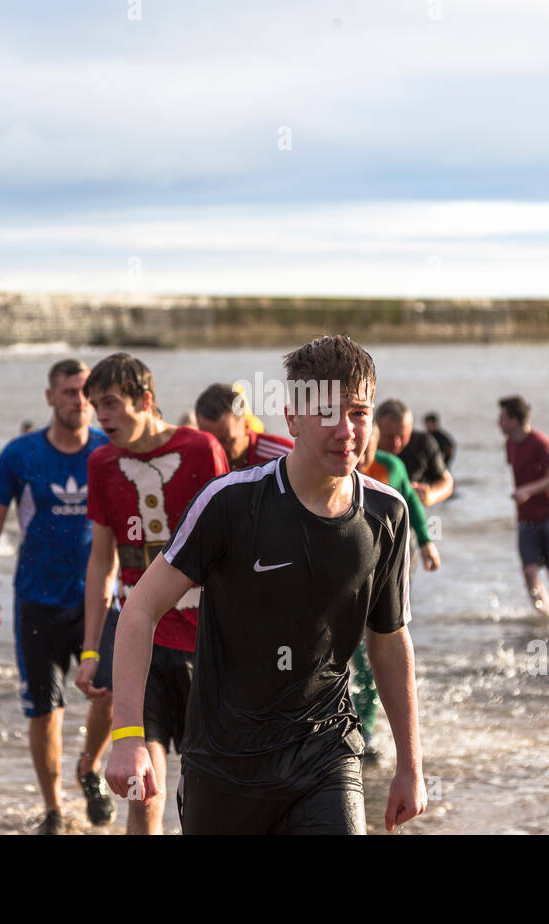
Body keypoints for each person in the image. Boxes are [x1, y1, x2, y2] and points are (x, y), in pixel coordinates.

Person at [104, 335, 427, 835]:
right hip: (223, 765)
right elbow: (140, 609)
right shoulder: (230, 503)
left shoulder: (387, 513)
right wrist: (127, 736)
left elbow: (388, 639)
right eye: (327, 412)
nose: (346, 431)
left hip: (327, 754)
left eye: (359, 412)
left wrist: (411, 765)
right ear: (292, 418)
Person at [73, 353, 228, 834]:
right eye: (96, 406)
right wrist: (91, 648)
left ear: (145, 400)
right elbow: (102, 560)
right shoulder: (101, 462)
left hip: (204, 648)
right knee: (143, 791)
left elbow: (232, 547)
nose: (102, 417)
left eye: (112, 404)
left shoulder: (202, 449)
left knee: (206, 798)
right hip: (142, 647)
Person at [0, 359, 116, 834]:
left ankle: (90, 767)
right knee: (44, 709)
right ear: (50, 397)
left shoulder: (108, 450)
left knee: (110, 693)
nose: (79, 400)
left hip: (96, 601)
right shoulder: (19, 454)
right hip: (36, 600)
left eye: (85, 392)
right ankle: (54, 808)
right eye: (70, 391)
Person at [353, 430, 439, 758]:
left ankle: (365, 731)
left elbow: (411, 503)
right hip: (345, 576)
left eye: (366, 455)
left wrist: (427, 542)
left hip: (383, 572)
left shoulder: (389, 468)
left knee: (370, 655)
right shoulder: (330, 470)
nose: (359, 462)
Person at [498, 396, 549, 616]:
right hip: (526, 519)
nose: (498, 423)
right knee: (529, 572)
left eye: (502, 418)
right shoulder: (510, 443)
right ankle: (545, 617)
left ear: (515, 419)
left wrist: (528, 490)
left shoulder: (539, 441)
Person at [194, 382, 293, 470]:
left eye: (227, 440)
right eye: (210, 441)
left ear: (246, 426)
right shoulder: (189, 459)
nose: (218, 449)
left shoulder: (283, 458)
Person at [375, 399, 453, 506]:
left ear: (410, 429)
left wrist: (431, 495)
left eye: (402, 436)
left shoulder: (423, 443)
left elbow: (447, 482)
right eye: (389, 437)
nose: (396, 443)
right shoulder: (364, 446)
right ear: (375, 430)